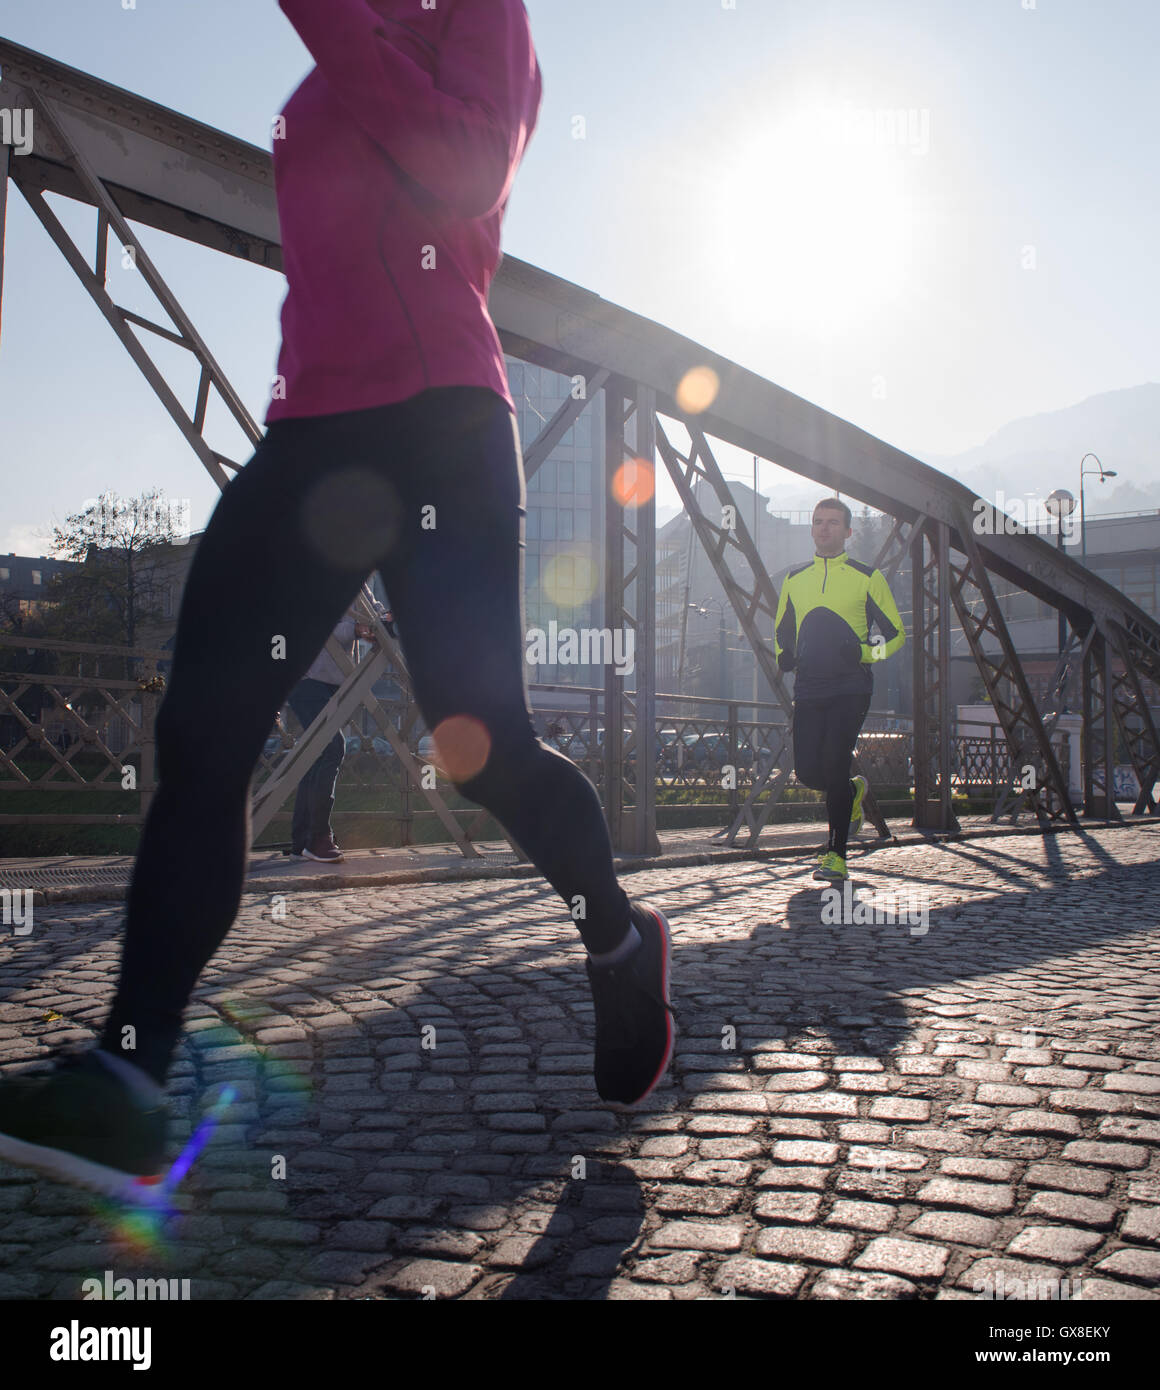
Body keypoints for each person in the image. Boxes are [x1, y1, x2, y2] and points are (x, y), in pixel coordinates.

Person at [0, 0, 673, 1199]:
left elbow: (463, 176)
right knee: (203, 731)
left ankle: (616, 940)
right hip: (311, 433)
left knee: (481, 743)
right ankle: (130, 1083)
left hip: (440, 426)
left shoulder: (479, 13)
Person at [774, 498, 906, 882]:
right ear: (812, 529)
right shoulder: (794, 580)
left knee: (833, 761)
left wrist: (865, 652)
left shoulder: (868, 577)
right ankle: (853, 790)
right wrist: (785, 654)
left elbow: (896, 636)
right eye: (818, 522)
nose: (824, 528)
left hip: (851, 686)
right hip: (810, 686)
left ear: (847, 532)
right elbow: (782, 629)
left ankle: (836, 857)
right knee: (807, 772)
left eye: (833, 522)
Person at [286, 598, 391, 863]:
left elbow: (371, 609)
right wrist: (356, 628)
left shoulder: (358, 580)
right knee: (332, 747)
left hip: (333, 681)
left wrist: (385, 620)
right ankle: (318, 837)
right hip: (308, 678)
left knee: (316, 757)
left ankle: (303, 841)